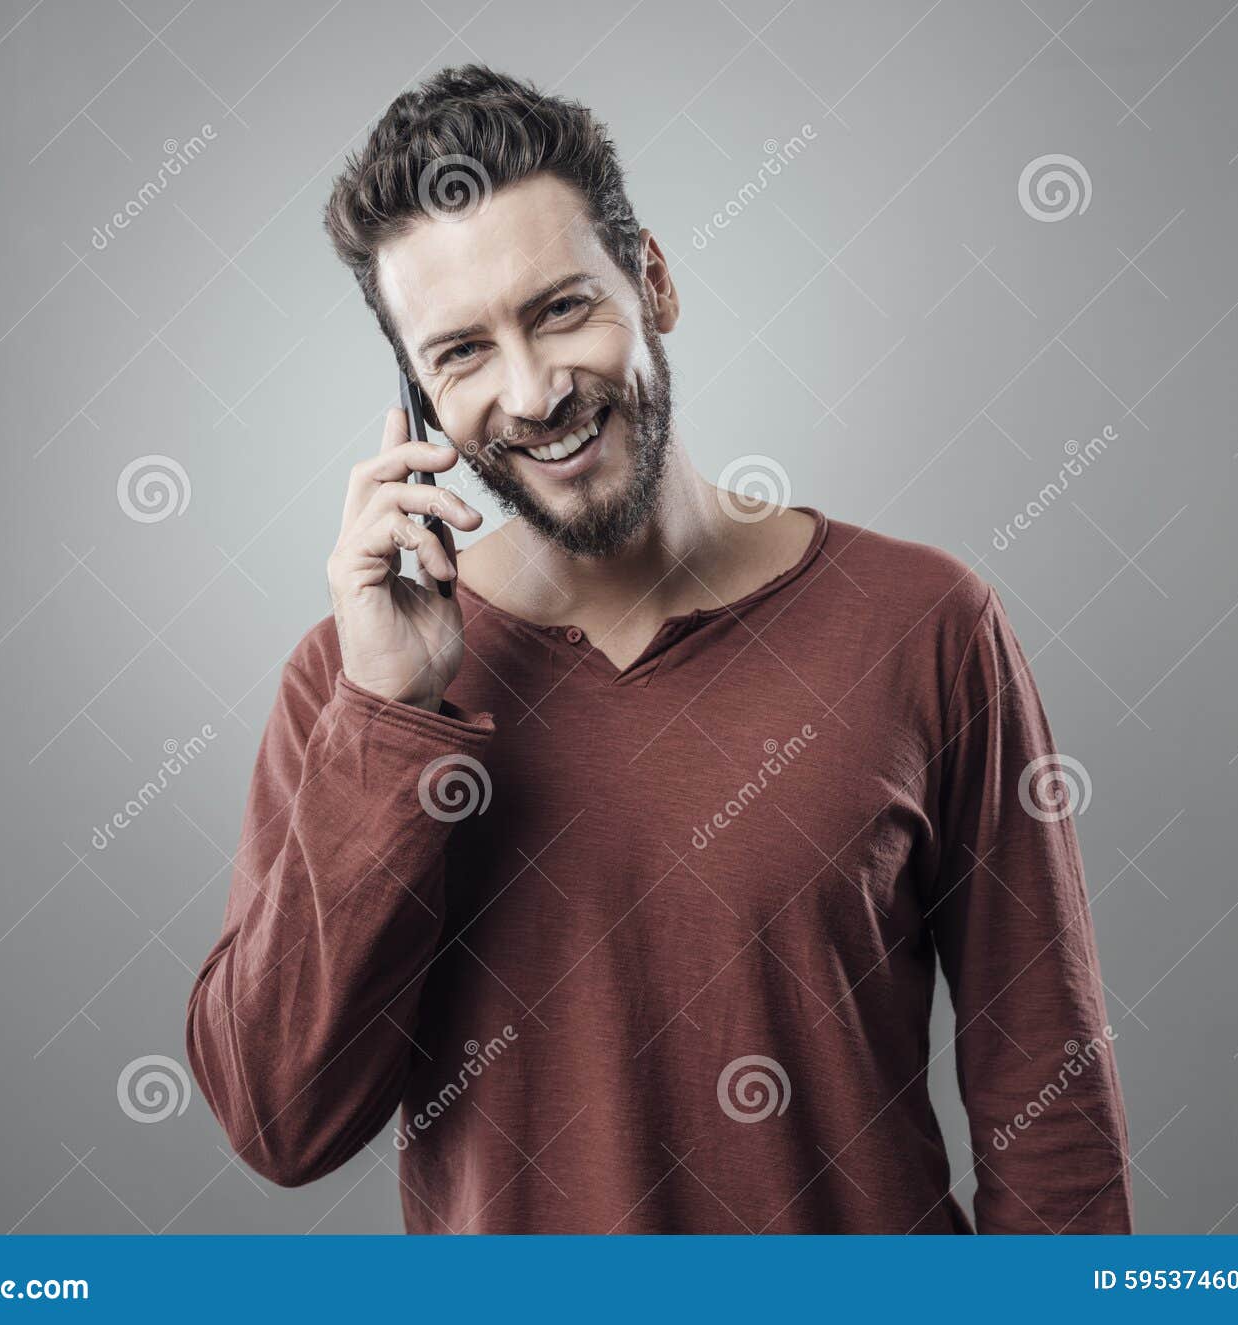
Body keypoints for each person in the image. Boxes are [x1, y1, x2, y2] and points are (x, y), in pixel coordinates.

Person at [184, 65, 1133, 1235]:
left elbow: (1048, 1111)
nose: (535, 391)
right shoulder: (352, 686)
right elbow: (281, 1122)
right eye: (462, 352)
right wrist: (389, 714)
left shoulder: (924, 622)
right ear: (418, 400)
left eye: (560, 309)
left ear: (653, 281)